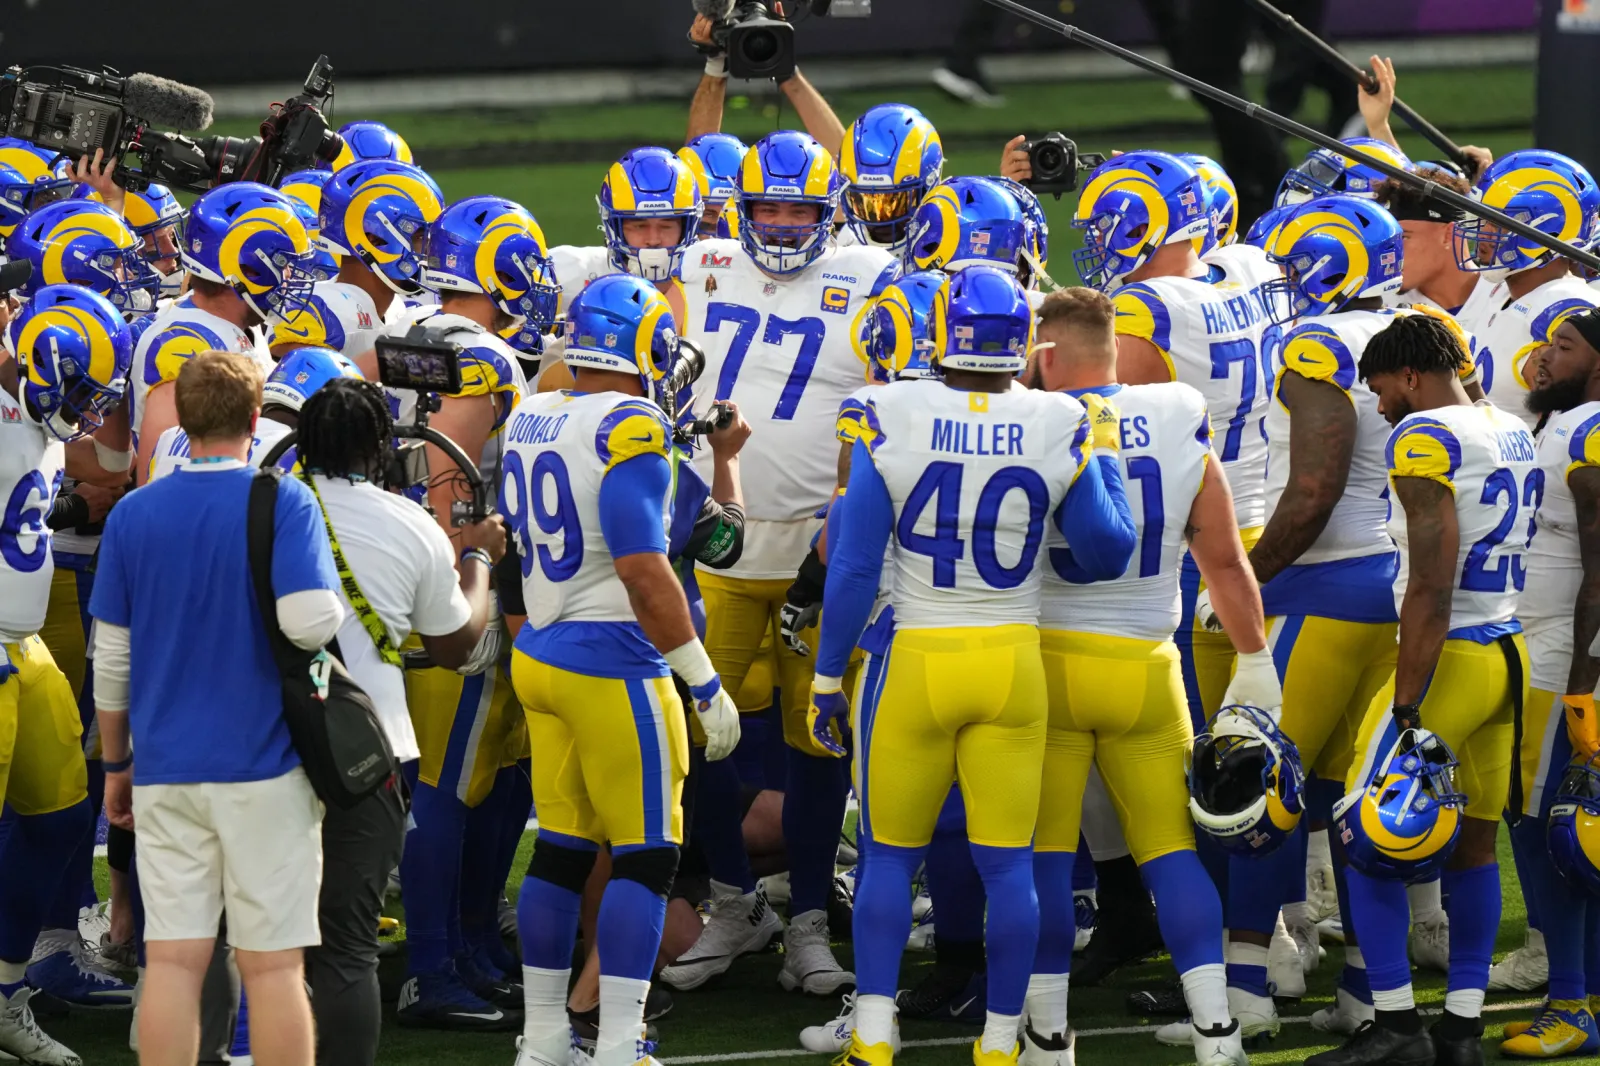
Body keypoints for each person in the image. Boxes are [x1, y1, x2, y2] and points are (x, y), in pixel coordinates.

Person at [814, 265, 1136, 1066]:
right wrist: (1092, 456)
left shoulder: (887, 411)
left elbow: (852, 565)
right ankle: (998, 1044)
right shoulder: (1062, 417)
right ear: (1022, 341)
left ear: (941, 335)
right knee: (1009, 868)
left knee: (889, 858)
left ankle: (873, 1037)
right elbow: (1106, 551)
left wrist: (825, 677)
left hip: (915, 656)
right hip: (1011, 659)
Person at [667, 130, 900, 996]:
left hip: (815, 548)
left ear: (829, 211)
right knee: (705, 734)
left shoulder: (870, 274)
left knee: (816, 740)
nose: (781, 223)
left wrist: (846, 515)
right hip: (720, 548)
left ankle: (807, 917)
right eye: (766, 205)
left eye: (799, 209)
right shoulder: (699, 262)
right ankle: (735, 902)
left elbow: (882, 404)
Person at [1026, 286, 1275, 1066]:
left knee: (1042, 860)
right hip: (1147, 663)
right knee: (1170, 852)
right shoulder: (1175, 413)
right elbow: (1225, 562)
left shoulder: (1028, 421)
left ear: (1047, 355)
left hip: (1049, 665)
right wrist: (1256, 659)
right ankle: (1216, 1030)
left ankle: (1047, 1038)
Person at [503, 274, 741, 1066]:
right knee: (645, 857)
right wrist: (702, 680)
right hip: (613, 663)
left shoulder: (534, 408)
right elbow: (644, 568)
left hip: (540, 654)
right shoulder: (631, 425)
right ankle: (615, 1046)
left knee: (562, 850)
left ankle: (544, 1041)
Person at [90, 351, 343, 1066]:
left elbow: (112, 662)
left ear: (182, 419)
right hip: (266, 768)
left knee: (172, 962)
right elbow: (310, 623)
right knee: (274, 967)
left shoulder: (134, 513)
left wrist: (116, 764)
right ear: (255, 419)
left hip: (166, 767)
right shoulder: (285, 500)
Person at [1316, 310, 1536, 1066]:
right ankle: (1462, 1029)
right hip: (1507, 651)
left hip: (1451, 656)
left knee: (1362, 829)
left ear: (1411, 376)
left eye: (1382, 389)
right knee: (1476, 843)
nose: (1380, 407)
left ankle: (1396, 1024)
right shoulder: (1509, 426)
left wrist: (1407, 699)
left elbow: (1432, 586)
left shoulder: (1426, 436)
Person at [1230, 194, 1410, 1038]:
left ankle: (1246, 998)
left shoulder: (1319, 346)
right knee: (1349, 801)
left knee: (1256, 793)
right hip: (1393, 588)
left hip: (1323, 591)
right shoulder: (1423, 327)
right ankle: (1366, 993)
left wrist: (1247, 577)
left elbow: (1312, 491)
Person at [292, 376, 507, 1066]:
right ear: (379, 446)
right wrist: (478, 559)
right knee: (347, 945)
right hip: (369, 742)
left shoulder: (262, 504)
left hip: (269, 741)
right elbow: (454, 646)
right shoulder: (406, 522)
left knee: (264, 939)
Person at [0, 284, 133, 1066]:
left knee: (57, 819)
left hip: (23, 646)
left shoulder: (38, 415)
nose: (87, 412)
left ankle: (6, 991)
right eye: (83, 393)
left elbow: (103, 466)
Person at [1503, 309, 1600, 1056]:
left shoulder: (1590, 429)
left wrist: (1580, 686)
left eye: (1564, 347)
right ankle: (1585, 993)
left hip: (1564, 654)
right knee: (1547, 824)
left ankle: (1570, 1002)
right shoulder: (1561, 422)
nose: (1544, 357)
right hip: (1545, 645)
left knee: (1551, 828)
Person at [131, 183, 315, 479]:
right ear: (248, 267)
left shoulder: (238, 325)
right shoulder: (183, 344)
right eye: (283, 263)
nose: (290, 275)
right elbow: (161, 474)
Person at [1451, 150, 1600, 430]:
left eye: (1496, 221)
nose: (1482, 231)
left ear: (1549, 231)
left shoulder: (1565, 307)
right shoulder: (1502, 289)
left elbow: (1570, 429)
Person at [836, 103, 943, 258]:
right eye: (864, 203)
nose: (879, 222)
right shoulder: (848, 243)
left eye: (894, 202)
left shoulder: (956, 239)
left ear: (930, 184)